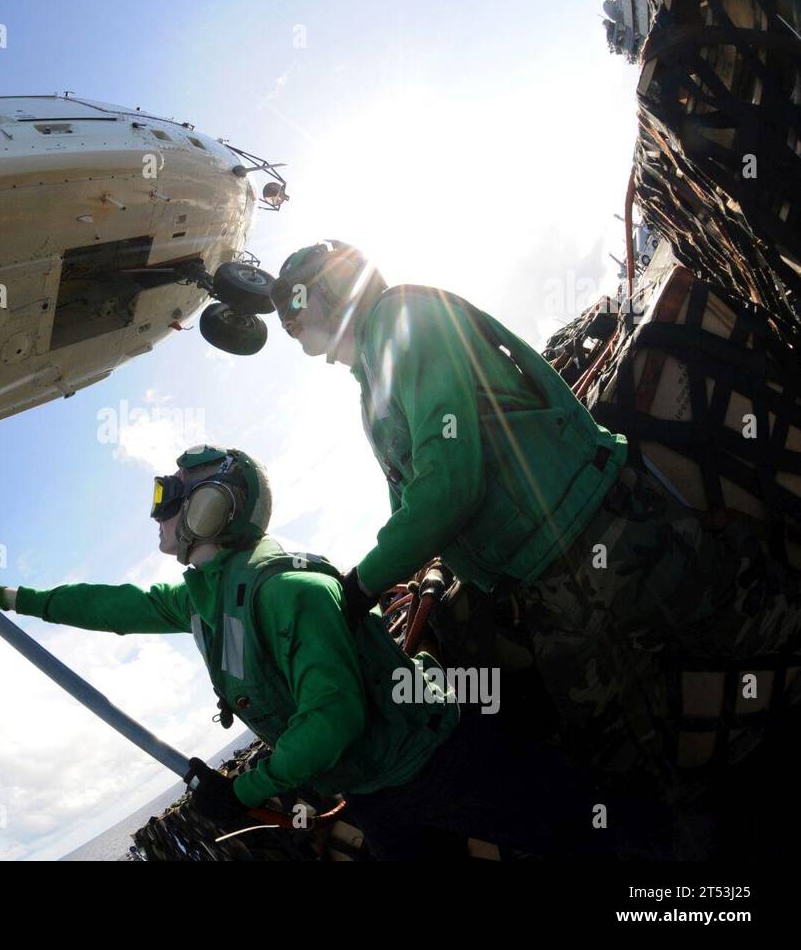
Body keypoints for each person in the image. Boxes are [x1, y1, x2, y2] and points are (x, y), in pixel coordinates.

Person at [0, 444, 657, 859]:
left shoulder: (285, 589)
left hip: (440, 757)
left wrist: (245, 790)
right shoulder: (204, 595)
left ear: (212, 507)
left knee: (596, 832)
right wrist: (8, 597)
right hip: (381, 790)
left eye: (172, 494)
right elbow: (110, 606)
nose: (158, 508)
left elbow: (333, 717)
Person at [268, 240, 801, 784]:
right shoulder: (372, 381)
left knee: (762, 625)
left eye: (294, 304)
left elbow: (449, 484)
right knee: (623, 760)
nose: (289, 322)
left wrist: (361, 588)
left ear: (333, 289)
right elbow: (411, 498)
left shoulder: (407, 319)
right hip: (544, 587)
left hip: (602, 533)